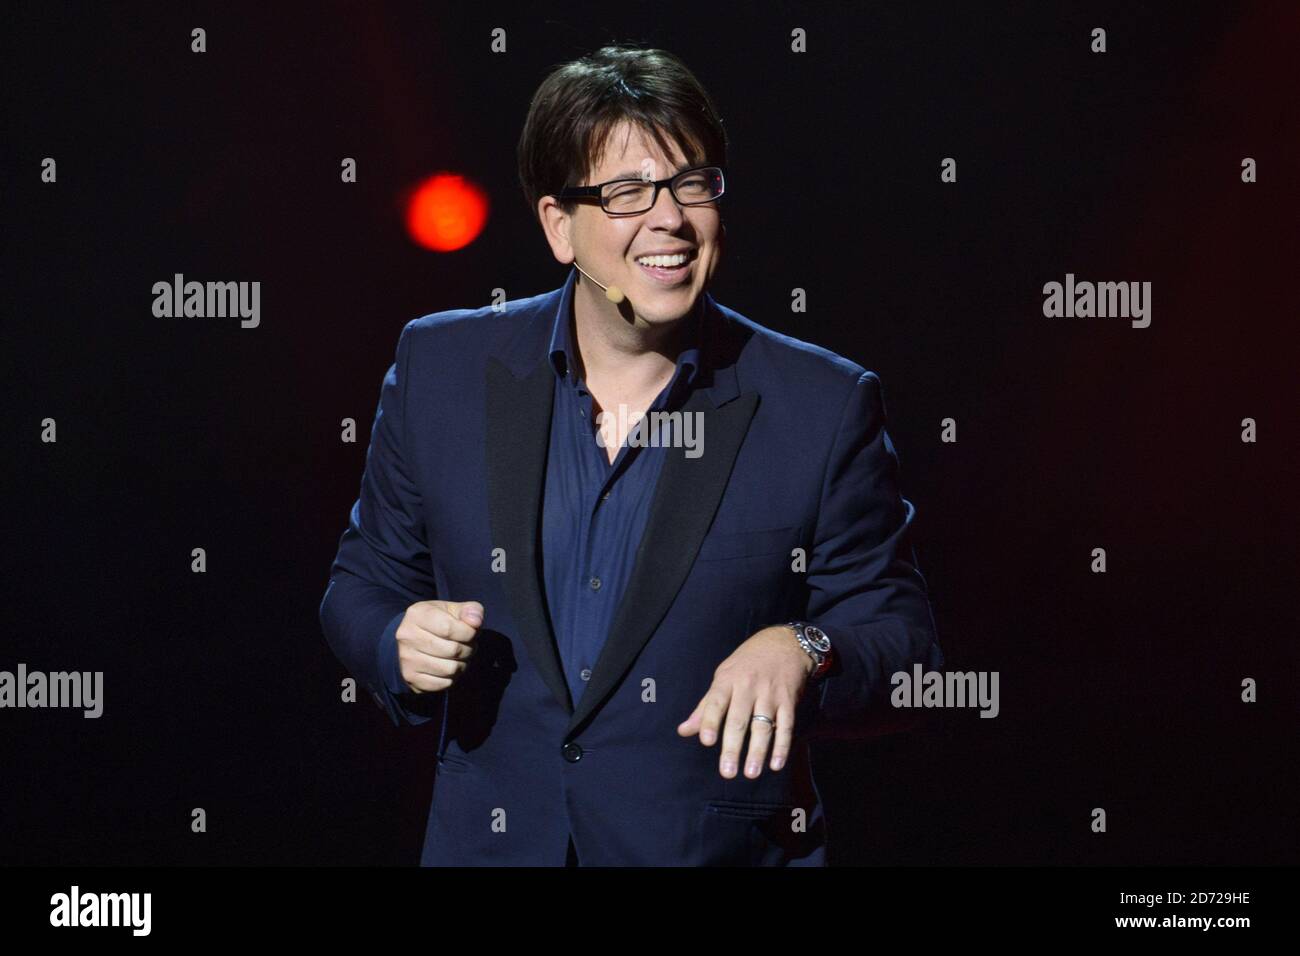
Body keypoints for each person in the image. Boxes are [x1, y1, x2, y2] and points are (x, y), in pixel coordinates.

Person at [319, 45, 943, 866]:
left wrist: (803, 646)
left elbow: (905, 645)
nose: (671, 220)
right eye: (626, 193)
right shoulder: (443, 369)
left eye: (694, 184)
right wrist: (394, 637)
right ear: (557, 225)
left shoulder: (821, 404)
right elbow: (359, 587)